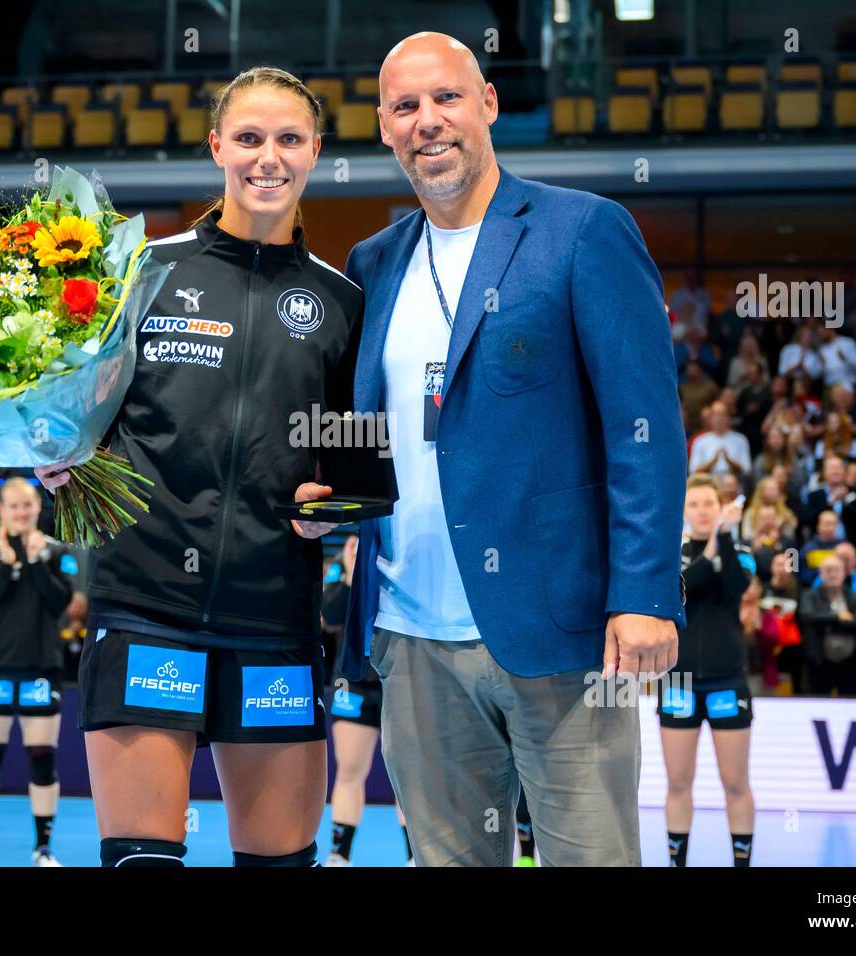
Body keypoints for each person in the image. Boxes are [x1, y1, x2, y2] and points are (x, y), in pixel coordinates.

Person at [340, 32, 684, 867]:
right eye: (406, 106)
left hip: (564, 637)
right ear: (384, 128)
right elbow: (363, 439)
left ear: (489, 103)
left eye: (447, 97)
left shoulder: (583, 231)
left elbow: (646, 428)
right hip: (410, 637)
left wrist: (645, 594)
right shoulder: (372, 263)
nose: (429, 121)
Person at [37, 66, 363, 869]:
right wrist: (53, 458)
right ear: (217, 144)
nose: (268, 158)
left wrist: (337, 508)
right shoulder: (144, 272)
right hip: (146, 602)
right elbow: (75, 418)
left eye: (289, 139)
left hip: (275, 620)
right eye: (248, 138)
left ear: (315, 151)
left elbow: (358, 462)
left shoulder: (343, 301)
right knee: (144, 861)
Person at [0, 478, 76, 868]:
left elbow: (61, 601)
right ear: (1, 510)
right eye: (12, 506)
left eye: (26, 505)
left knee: (42, 759)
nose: (20, 513)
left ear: (37, 508)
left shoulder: (58, 552)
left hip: (42, 670)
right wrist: (7, 567)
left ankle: (43, 848)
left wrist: (33, 561)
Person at [660, 475, 755, 868]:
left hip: (727, 680)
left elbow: (735, 585)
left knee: (735, 782)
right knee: (679, 782)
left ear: (720, 509)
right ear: (684, 510)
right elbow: (685, 586)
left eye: (708, 504)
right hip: (679, 681)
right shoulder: (671, 553)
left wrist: (725, 540)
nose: (702, 511)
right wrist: (715, 542)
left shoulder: (740, 551)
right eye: (694, 504)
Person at [323, 534, 412, 867]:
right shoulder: (341, 565)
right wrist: (349, 574)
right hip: (355, 683)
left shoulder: (399, 555)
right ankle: (339, 854)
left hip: (399, 679)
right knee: (349, 771)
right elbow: (330, 616)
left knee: (407, 774)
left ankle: (414, 856)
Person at [798, 554, 856, 697]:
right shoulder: (809, 595)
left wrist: (826, 623)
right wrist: (839, 617)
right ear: (821, 573)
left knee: (850, 703)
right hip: (819, 662)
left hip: (850, 663)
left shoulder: (855, 597)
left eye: (836, 570)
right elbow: (808, 617)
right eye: (828, 570)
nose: (832, 574)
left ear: (844, 572)